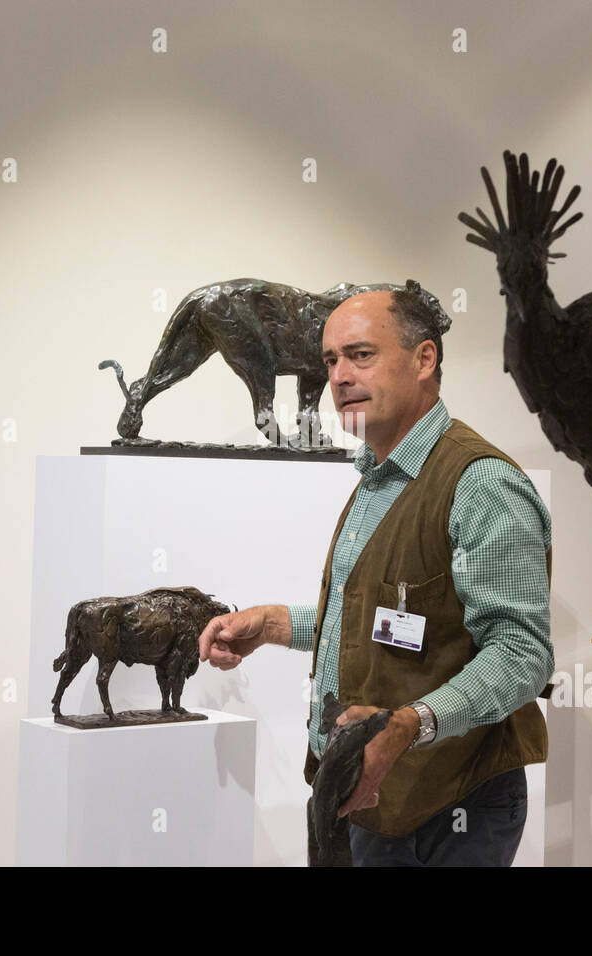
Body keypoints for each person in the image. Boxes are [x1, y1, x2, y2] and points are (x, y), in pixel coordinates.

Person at [198, 281, 553, 866]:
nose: (338, 377)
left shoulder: (481, 484)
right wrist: (274, 624)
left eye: (360, 355)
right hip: (364, 799)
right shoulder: (378, 476)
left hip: (449, 811)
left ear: (425, 359)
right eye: (330, 360)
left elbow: (521, 655)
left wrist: (410, 725)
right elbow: (391, 620)